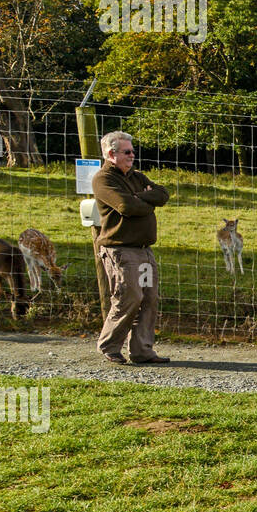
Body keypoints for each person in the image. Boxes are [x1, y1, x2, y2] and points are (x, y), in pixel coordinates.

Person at [92, 130, 170, 365]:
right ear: (110, 154)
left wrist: (139, 197)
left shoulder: (137, 177)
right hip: (121, 250)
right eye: (127, 152)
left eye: (132, 151)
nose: (132, 155)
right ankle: (109, 345)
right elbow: (126, 206)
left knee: (148, 297)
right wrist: (145, 200)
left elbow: (163, 195)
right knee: (129, 296)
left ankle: (142, 350)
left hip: (144, 249)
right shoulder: (103, 179)